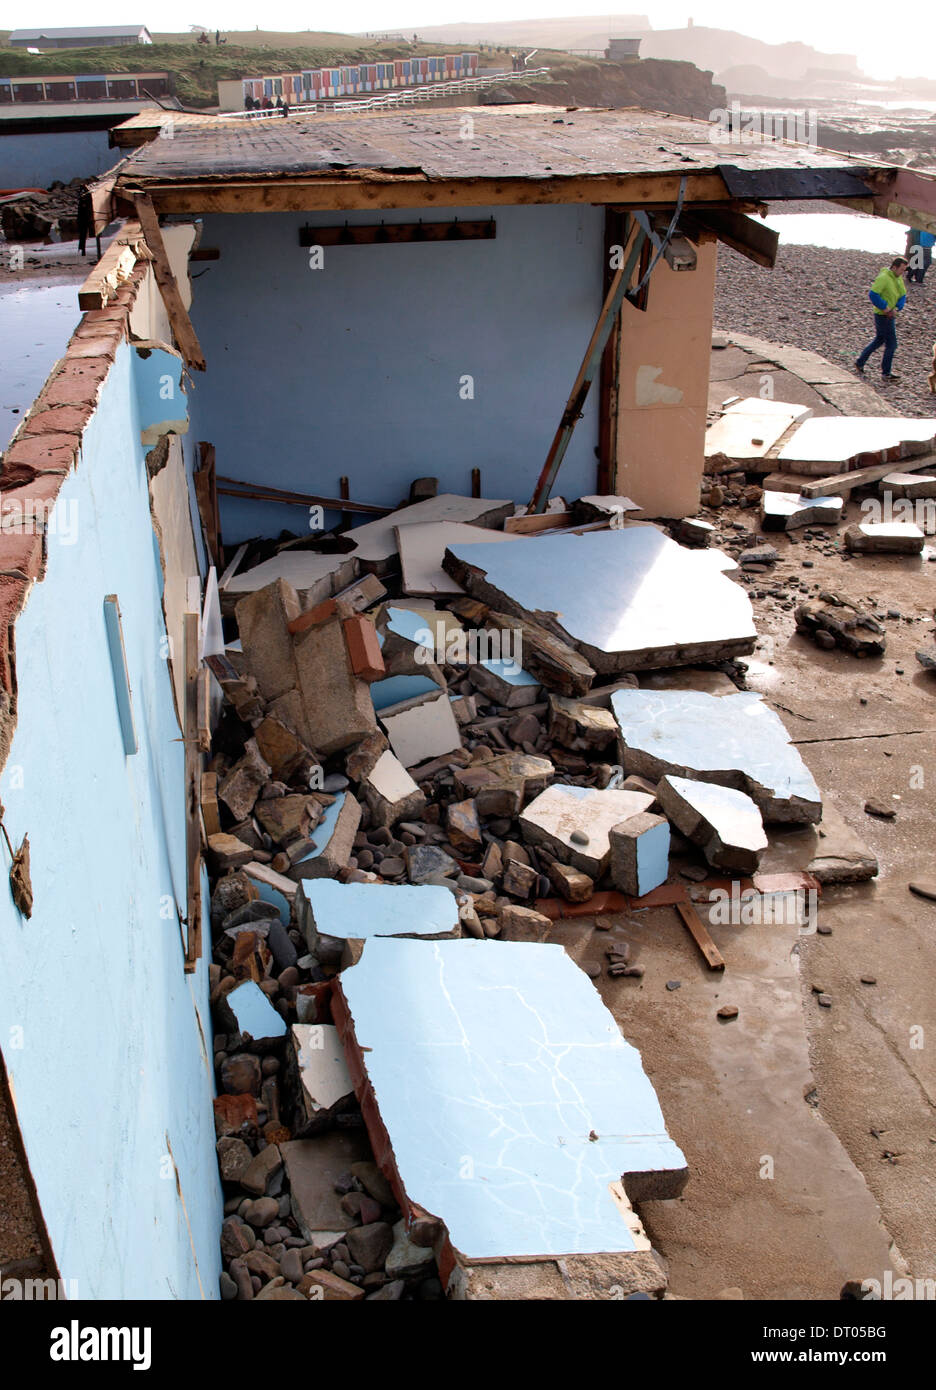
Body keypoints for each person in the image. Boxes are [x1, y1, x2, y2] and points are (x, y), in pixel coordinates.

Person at [855, 256, 909, 382]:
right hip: (882, 315)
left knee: (879, 340)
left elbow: (902, 295)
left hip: (891, 314)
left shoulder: (898, 278)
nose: (903, 272)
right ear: (894, 267)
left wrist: (897, 308)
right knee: (892, 344)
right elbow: (873, 294)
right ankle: (886, 373)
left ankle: (860, 362)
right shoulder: (884, 277)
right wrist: (886, 308)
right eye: (902, 269)